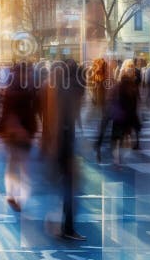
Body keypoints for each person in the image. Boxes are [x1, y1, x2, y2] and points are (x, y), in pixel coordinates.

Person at [56, 60, 86, 240]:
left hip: (65, 144)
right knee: (70, 188)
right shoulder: (69, 92)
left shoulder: (63, 89)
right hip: (65, 145)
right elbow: (65, 122)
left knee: (69, 187)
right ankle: (67, 227)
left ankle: (66, 226)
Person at [1, 62, 36, 211]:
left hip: (14, 134)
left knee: (13, 164)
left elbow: (5, 112)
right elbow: (29, 112)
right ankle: (18, 198)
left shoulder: (11, 90)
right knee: (23, 167)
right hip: (22, 133)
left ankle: (11, 194)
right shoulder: (25, 90)